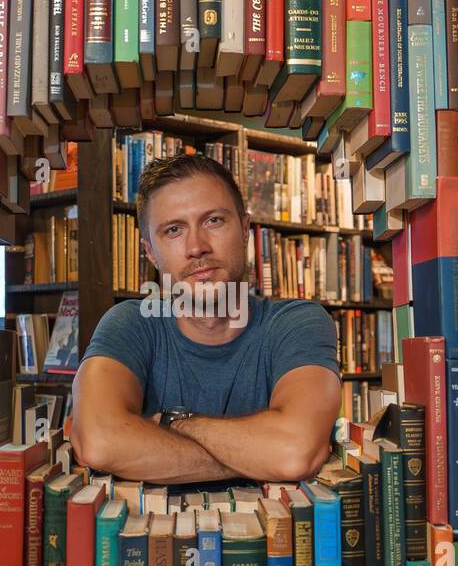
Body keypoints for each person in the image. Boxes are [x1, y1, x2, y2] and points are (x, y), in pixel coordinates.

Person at [71, 153, 341, 485]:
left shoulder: (296, 322)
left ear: (244, 228)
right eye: (173, 229)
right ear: (150, 252)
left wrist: (174, 423)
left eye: (213, 221)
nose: (196, 247)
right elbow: (97, 443)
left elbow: (295, 453)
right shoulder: (131, 323)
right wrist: (258, 456)